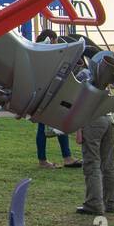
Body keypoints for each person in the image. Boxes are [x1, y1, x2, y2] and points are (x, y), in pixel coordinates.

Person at [33, 30, 79, 168]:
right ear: (52, 38)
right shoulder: (48, 50)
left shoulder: (37, 50)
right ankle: (65, 157)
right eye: (56, 40)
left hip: (41, 92)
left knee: (48, 126)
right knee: (56, 124)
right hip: (49, 92)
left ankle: (53, 158)